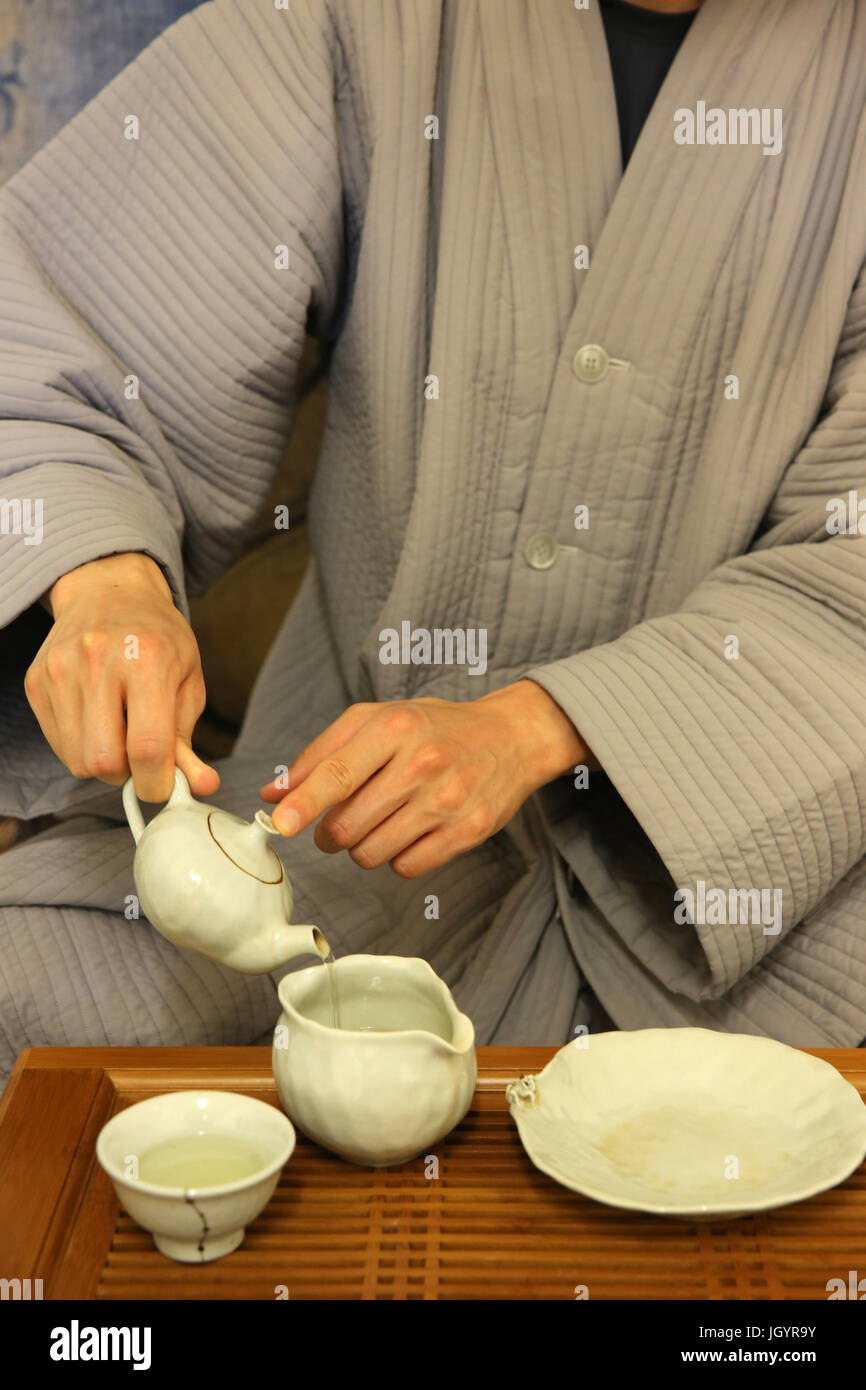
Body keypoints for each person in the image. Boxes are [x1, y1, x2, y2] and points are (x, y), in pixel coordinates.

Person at [1, 0, 865, 1087]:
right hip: (325, 836)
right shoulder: (357, 19)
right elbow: (65, 323)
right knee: (27, 1003)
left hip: (748, 898)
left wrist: (540, 726)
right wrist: (102, 583)